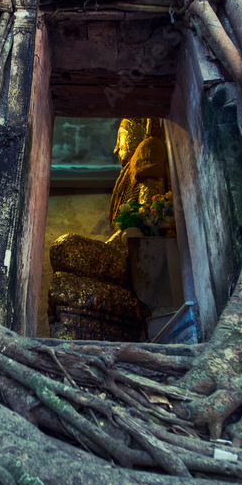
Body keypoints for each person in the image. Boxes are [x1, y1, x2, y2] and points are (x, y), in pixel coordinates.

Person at [47, 118, 170, 340]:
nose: (117, 147)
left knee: (64, 247)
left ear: (134, 135)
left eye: (121, 137)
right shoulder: (125, 176)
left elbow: (148, 214)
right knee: (61, 275)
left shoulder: (148, 150)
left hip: (131, 254)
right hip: (118, 247)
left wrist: (136, 226)